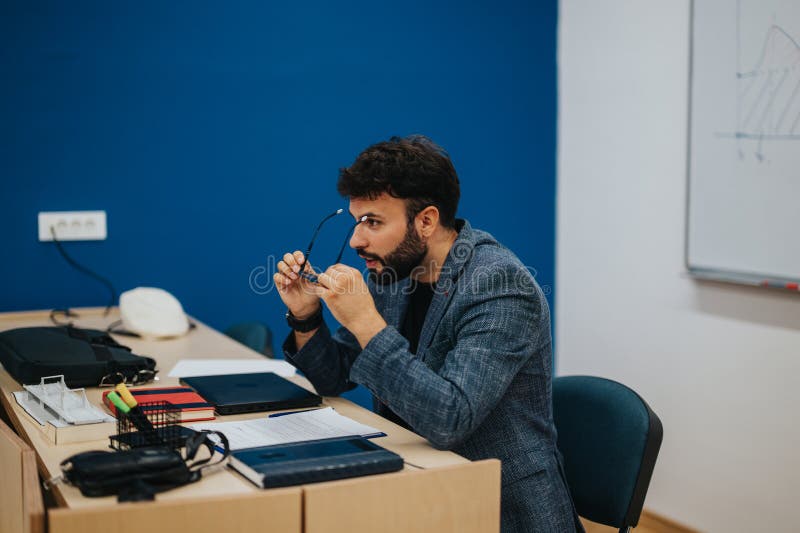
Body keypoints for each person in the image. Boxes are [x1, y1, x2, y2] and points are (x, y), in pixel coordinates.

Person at [274, 135, 581, 533]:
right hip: (420, 487)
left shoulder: (501, 286)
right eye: (356, 222)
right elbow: (336, 376)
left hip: (500, 507)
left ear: (426, 221)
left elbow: (450, 418)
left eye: (373, 222)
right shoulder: (395, 274)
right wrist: (306, 317)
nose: (355, 240)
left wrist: (366, 323)